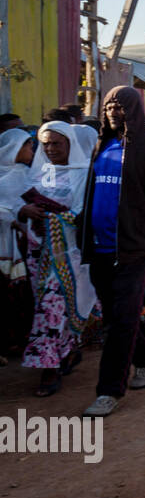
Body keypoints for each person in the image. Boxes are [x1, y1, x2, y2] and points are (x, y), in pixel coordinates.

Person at [79, 86, 145, 418]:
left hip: (135, 251)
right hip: (100, 250)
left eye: (120, 106)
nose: (113, 111)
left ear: (135, 110)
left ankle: (109, 391)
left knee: (120, 321)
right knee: (116, 316)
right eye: (109, 106)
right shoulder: (101, 146)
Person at [20, 122, 96, 396]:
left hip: (69, 255)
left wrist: (52, 215)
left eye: (57, 143)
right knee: (52, 307)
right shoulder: (37, 173)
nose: (51, 149)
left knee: (51, 307)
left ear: (70, 144)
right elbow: (19, 206)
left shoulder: (84, 173)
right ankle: (67, 351)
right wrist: (26, 210)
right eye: (46, 144)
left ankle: (48, 369)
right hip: (37, 253)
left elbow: (82, 213)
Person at [0, 127, 37, 358]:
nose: (31, 149)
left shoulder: (28, 174)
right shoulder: (8, 177)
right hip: (6, 244)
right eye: (27, 145)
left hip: (22, 245)